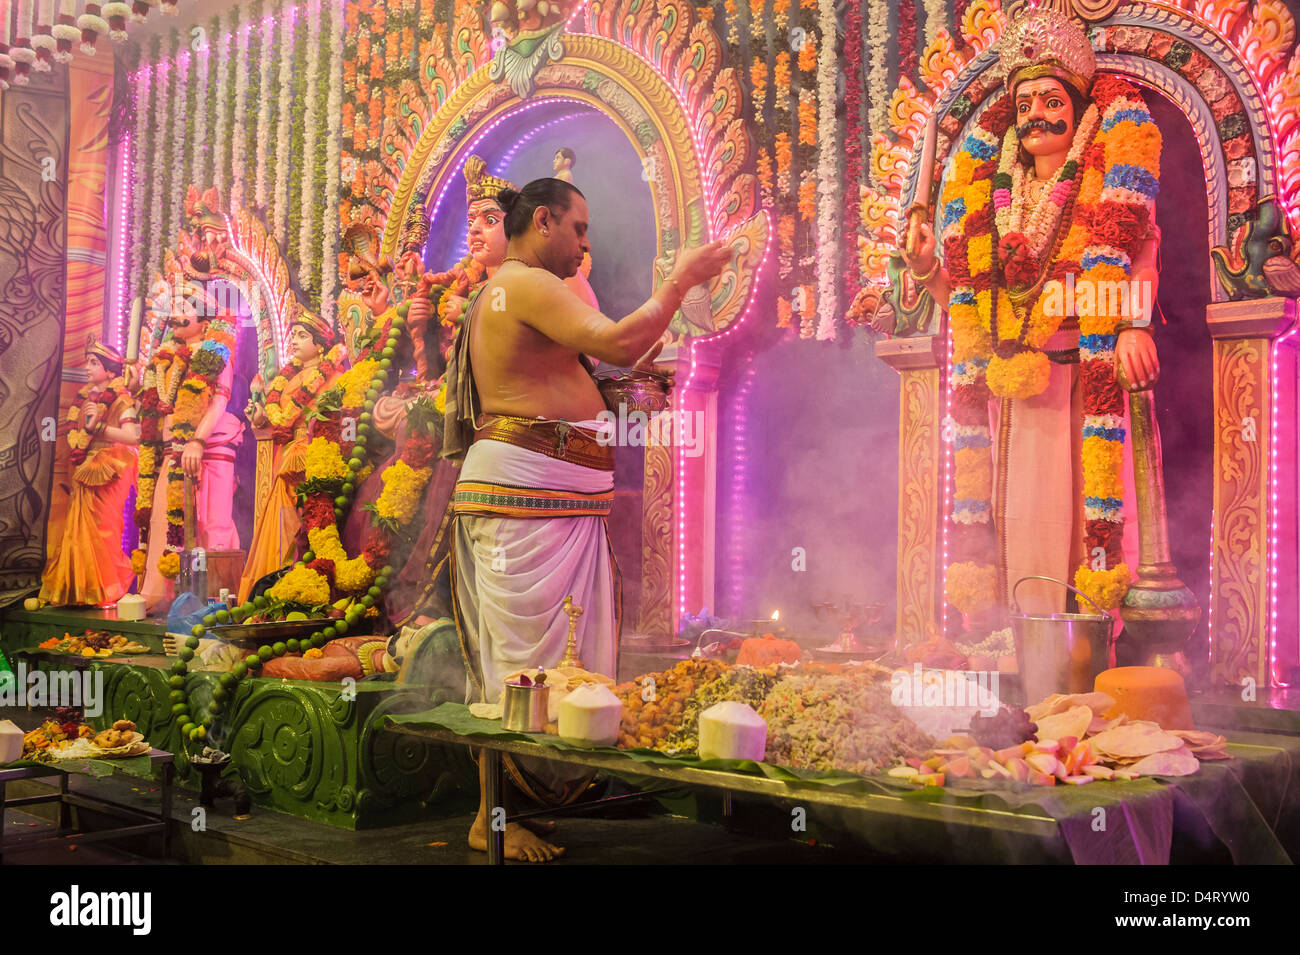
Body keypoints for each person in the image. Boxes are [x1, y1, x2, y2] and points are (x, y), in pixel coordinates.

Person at [442, 176, 733, 861]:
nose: (584, 245)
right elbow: (620, 342)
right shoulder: (525, 280)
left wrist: (608, 395)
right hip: (525, 499)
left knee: (558, 665)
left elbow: (571, 373)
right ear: (542, 221)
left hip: (555, 501)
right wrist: (680, 283)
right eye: (579, 229)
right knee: (522, 666)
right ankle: (493, 818)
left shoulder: (524, 289)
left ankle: (516, 810)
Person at [900, 7, 1161, 618]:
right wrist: (925, 270)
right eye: (1023, 105)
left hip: (1084, 377)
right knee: (1021, 521)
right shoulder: (995, 205)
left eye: (1050, 99)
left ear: (1079, 109)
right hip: (1016, 390)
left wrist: (1132, 327)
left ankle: (1095, 652)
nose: (1036, 115)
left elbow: (1143, 256)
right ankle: (1024, 655)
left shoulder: (1108, 190)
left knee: (1085, 519)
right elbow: (972, 311)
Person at [137, 286, 244, 612]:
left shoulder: (215, 352)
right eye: (172, 307)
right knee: (161, 521)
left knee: (210, 524)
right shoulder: (164, 359)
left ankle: (213, 599)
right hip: (171, 452)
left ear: (204, 317)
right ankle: (163, 598)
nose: (174, 313)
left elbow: (218, 401)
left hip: (208, 450)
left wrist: (196, 440)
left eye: (183, 306)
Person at [237, 310, 345, 603]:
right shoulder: (286, 379)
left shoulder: (333, 378)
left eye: (302, 335)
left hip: (313, 457)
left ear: (320, 344)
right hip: (284, 456)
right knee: (281, 521)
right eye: (293, 334)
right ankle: (271, 585)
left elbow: (335, 418)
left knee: (303, 522)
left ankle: (300, 587)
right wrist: (259, 415)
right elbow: (279, 420)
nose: (294, 341)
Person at [39, 336, 139, 607]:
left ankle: (110, 588)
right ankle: (83, 590)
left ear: (109, 370)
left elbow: (133, 436)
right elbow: (79, 436)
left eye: (93, 362)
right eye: (87, 362)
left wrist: (100, 428)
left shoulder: (121, 399)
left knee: (103, 527)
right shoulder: (84, 398)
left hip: (111, 467)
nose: (87, 367)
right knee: (78, 528)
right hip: (85, 466)